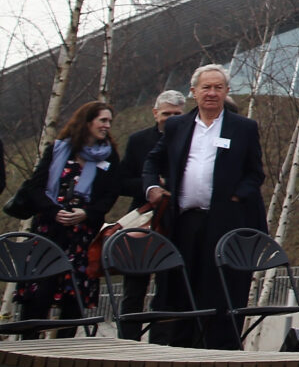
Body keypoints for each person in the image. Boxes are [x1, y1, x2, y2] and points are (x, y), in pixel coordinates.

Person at [141, 64, 268, 348]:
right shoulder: (177, 126)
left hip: (224, 222)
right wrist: (152, 188)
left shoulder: (243, 127)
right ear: (194, 92)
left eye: (217, 88)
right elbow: (153, 160)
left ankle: (220, 351)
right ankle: (180, 350)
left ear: (226, 92)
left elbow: (255, 172)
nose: (211, 93)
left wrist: (236, 196)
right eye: (206, 88)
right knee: (181, 288)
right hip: (185, 222)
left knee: (220, 290)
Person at [12, 101, 120, 335]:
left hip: (81, 238)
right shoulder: (58, 149)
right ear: (88, 121)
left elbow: (111, 194)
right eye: (103, 120)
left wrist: (87, 213)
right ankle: (29, 351)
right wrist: (53, 211)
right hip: (49, 232)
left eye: (109, 121)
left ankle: (65, 353)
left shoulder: (110, 157)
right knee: (39, 294)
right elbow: (35, 187)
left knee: (74, 299)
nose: (107, 125)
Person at [115, 90, 186, 325]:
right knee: (134, 288)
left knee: (168, 291)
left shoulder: (190, 138)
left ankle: (161, 346)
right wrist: (153, 185)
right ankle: (128, 344)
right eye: (166, 113)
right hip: (143, 220)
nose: (171, 118)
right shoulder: (139, 141)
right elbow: (122, 182)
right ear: (156, 113)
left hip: (178, 220)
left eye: (177, 114)